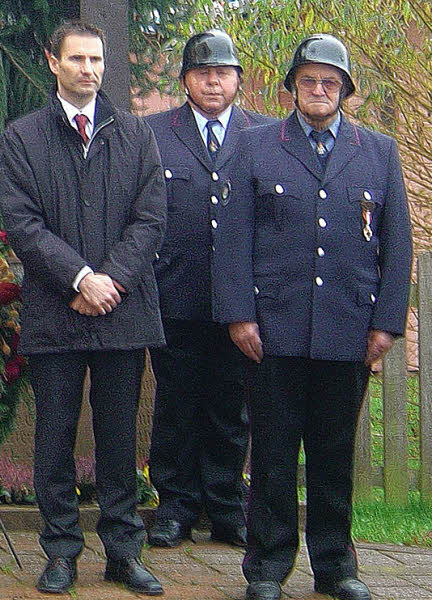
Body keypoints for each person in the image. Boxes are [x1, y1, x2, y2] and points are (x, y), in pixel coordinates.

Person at [216, 34, 412, 600]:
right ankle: (267, 569)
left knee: (333, 455)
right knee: (273, 454)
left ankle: (336, 566)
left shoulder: (378, 151)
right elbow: (233, 242)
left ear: (345, 90)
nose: (319, 90)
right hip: (271, 332)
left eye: (330, 82)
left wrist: (386, 322)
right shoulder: (254, 147)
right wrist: (238, 316)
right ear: (292, 87)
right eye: (309, 81)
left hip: (347, 330)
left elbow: (395, 245)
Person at [0, 19, 167, 596]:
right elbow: (22, 223)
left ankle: (123, 551)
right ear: (53, 62)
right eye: (77, 60)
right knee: (55, 437)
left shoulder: (137, 135)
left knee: (119, 438)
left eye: (96, 60)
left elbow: (150, 220)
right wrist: (78, 277)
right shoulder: (22, 137)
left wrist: (109, 281)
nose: (90, 70)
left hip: (123, 312)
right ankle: (61, 551)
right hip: (56, 311)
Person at [144, 29, 275, 549]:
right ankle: (174, 507)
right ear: (185, 81)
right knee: (175, 405)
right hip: (176, 294)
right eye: (202, 72)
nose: (213, 81)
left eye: (223, 71)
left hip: (240, 302)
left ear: (238, 79)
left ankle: (225, 506)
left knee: (230, 406)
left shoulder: (264, 134)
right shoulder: (153, 133)